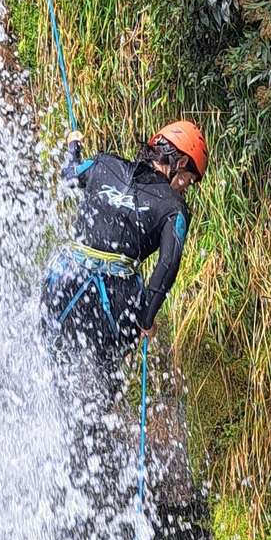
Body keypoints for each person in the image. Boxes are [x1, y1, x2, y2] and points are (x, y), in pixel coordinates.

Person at [41, 120, 208, 375]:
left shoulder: (103, 164)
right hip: (117, 300)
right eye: (188, 180)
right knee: (106, 377)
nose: (185, 187)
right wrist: (146, 319)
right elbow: (168, 264)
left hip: (67, 280)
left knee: (48, 357)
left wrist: (73, 146)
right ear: (181, 163)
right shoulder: (175, 208)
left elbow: (69, 175)